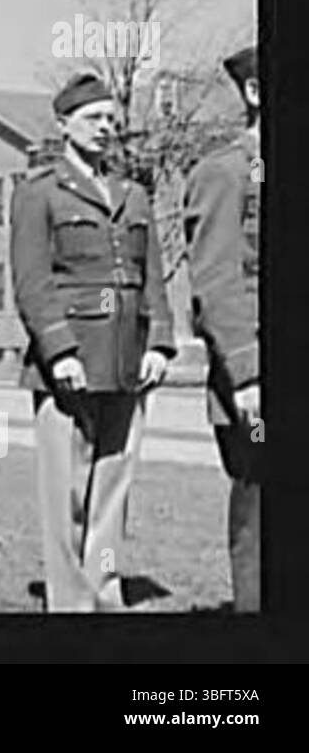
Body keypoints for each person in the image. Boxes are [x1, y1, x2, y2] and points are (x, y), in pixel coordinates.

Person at [10, 71, 174, 612]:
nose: (105, 127)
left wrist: (159, 343)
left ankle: (105, 591)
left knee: (112, 487)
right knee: (67, 493)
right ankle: (69, 601)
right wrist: (59, 351)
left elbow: (151, 277)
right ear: (63, 124)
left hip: (127, 359)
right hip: (71, 361)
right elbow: (32, 281)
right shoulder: (38, 192)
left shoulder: (133, 193)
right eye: (92, 118)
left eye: (110, 119)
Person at [184, 45, 261, 612]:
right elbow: (215, 281)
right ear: (254, 92)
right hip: (257, 383)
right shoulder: (225, 172)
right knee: (263, 515)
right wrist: (248, 374)